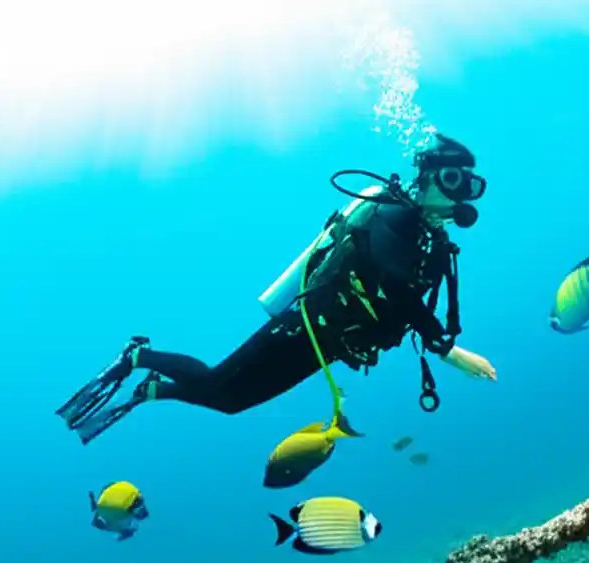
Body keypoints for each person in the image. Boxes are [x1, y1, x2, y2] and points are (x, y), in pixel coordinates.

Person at [56, 133, 496, 445]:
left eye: (470, 185)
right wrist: (447, 351)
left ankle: (155, 388)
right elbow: (395, 283)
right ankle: (139, 357)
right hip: (305, 324)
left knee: (232, 403)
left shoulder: (433, 241)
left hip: (330, 344)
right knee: (217, 380)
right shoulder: (394, 216)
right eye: (453, 180)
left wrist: (437, 338)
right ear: (429, 177)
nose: (463, 194)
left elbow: (405, 304)